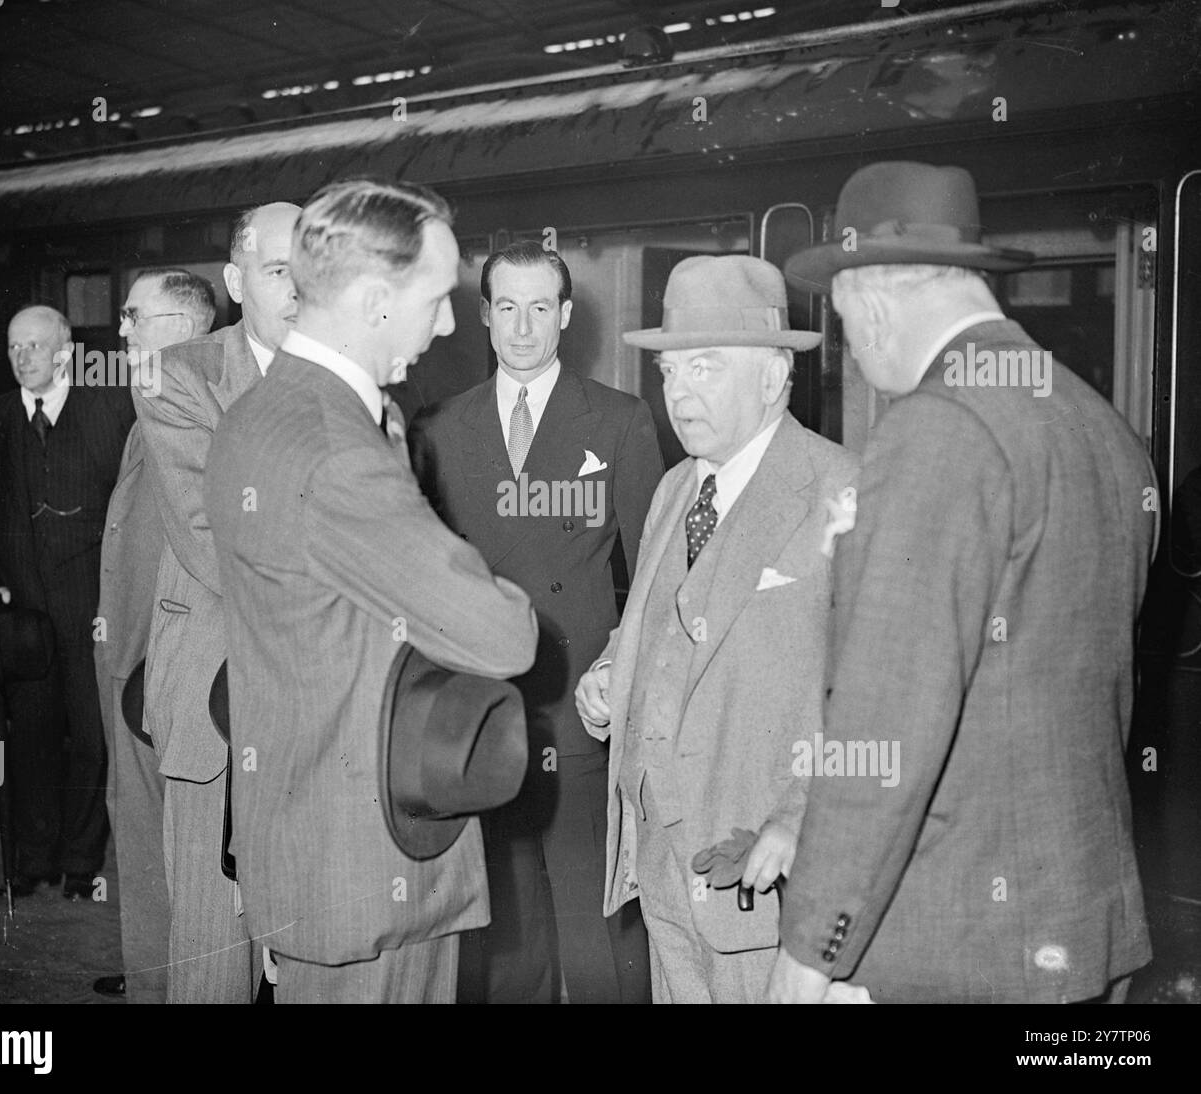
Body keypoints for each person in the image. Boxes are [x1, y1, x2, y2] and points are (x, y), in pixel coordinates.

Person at [769, 161, 1156, 1003]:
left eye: (841, 322)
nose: (853, 350)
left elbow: (886, 724)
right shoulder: (1100, 426)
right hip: (1081, 926)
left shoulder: (937, 431)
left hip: (953, 947)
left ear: (870, 299)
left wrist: (812, 949)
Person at [205, 177, 538, 1003]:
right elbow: (503, 635)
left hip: (308, 847)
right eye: (437, 297)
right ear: (372, 298)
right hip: (367, 865)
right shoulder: (337, 447)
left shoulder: (264, 411)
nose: (454, 323)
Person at [573, 256, 858, 1003]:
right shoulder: (677, 487)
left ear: (773, 377)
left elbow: (887, 693)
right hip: (664, 867)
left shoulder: (840, 490)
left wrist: (802, 814)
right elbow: (660, 620)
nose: (680, 393)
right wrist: (610, 672)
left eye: (705, 368)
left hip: (765, 880)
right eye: (669, 371)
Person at [409, 241, 661, 1003]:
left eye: (541, 307)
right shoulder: (439, 428)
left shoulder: (619, 420)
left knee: (593, 920)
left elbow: (654, 572)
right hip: (483, 705)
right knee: (506, 930)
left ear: (567, 315)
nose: (524, 327)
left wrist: (619, 665)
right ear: (484, 317)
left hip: (581, 704)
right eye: (507, 308)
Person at [134, 204, 300, 1003]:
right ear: (235, 282)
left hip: (321, 717)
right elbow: (215, 538)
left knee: (315, 950)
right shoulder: (180, 374)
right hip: (215, 703)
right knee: (211, 963)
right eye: (277, 270)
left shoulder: (356, 378)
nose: (300, 287)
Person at [0, 305, 133, 902]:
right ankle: (29, 863)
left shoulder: (110, 412)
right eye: (13, 347)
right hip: (26, 617)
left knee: (93, 739)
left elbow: (131, 510)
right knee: (29, 739)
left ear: (65, 351)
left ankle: (82, 863)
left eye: (35, 346)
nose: (22, 358)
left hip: (93, 608)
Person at [93, 268, 216, 1000]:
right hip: (133, 655)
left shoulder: (186, 402)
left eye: (134, 314)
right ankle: (154, 972)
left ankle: (170, 981)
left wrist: (137, 660)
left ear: (179, 325)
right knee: (139, 828)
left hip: (161, 664)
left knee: (171, 838)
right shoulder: (153, 403)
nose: (122, 329)